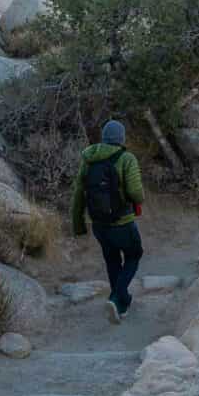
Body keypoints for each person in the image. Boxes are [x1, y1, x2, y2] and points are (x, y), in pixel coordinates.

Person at [69, 119, 145, 324]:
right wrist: (139, 200)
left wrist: (78, 224)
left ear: (103, 137)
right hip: (123, 222)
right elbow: (135, 192)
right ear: (121, 138)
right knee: (134, 255)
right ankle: (116, 296)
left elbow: (78, 194)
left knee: (112, 261)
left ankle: (122, 304)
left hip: (99, 225)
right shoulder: (126, 158)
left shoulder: (89, 158)